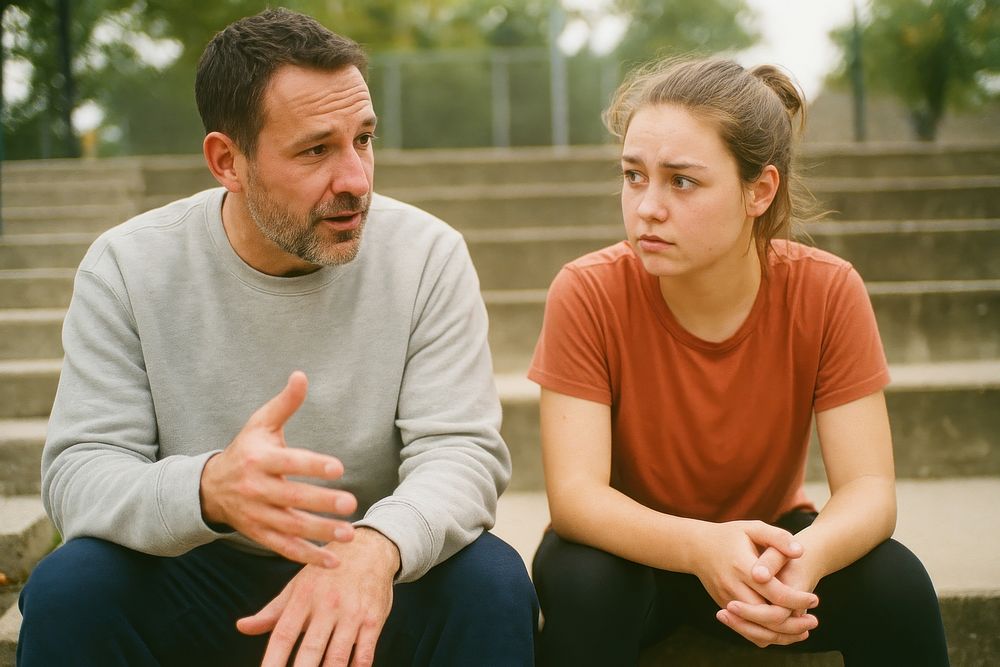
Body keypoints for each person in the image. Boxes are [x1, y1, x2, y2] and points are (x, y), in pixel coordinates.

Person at [17, 8, 537, 667]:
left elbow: (461, 451)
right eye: (317, 149)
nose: (355, 179)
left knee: (489, 579)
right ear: (227, 161)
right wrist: (210, 488)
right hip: (198, 572)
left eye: (364, 139)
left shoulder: (427, 256)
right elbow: (79, 470)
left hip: (370, 574)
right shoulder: (127, 266)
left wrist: (377, 546)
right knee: (70, 586)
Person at [528, 57, 950, 666]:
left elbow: (868, 489)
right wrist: (700, 547)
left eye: (682, 181)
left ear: (760, 190)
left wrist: (807, 558)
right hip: (634, 557)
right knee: (581, 579)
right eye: (633, 175)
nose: (647, 206)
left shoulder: (827, 291)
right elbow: (576, 496)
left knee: (895, 583)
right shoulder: (588, 290)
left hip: (769, 551)